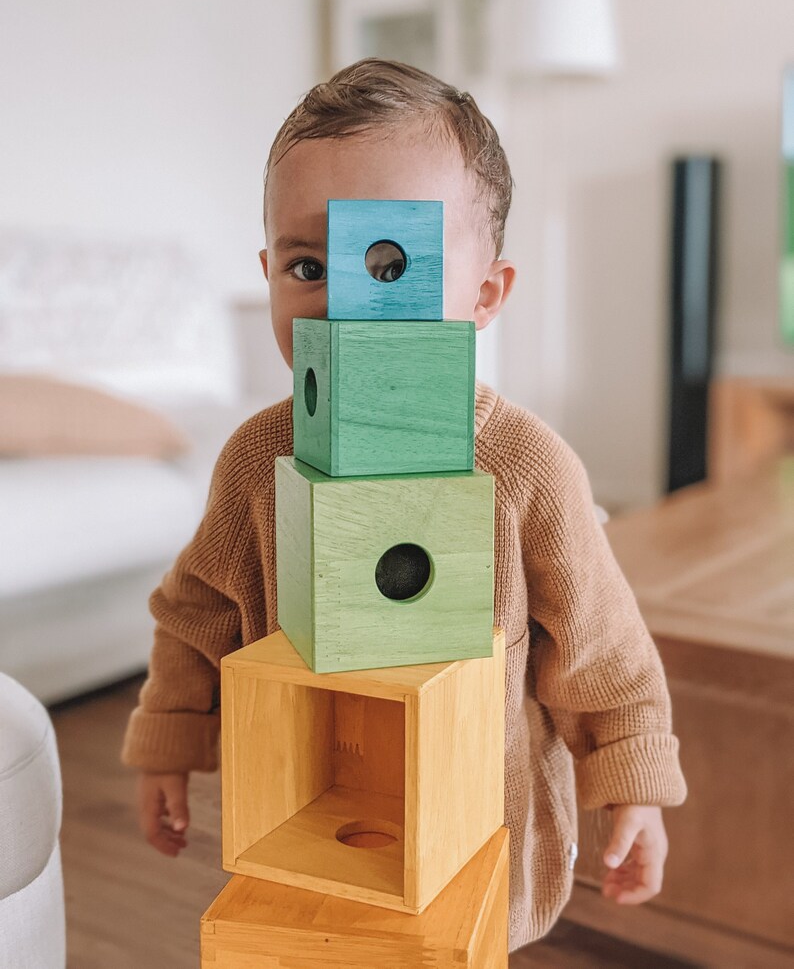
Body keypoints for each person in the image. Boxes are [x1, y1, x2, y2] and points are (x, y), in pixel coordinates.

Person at [121, 58, 686, 952]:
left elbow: (600, 640)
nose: (346, 303)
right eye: (308, 265)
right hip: (310, 829)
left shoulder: (525, 464)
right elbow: (196, 612)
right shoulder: (255, 460)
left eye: (390, 266)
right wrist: (169, 737)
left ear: (484, 295)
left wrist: (633, 780)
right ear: (268, 273)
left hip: (476, 829)